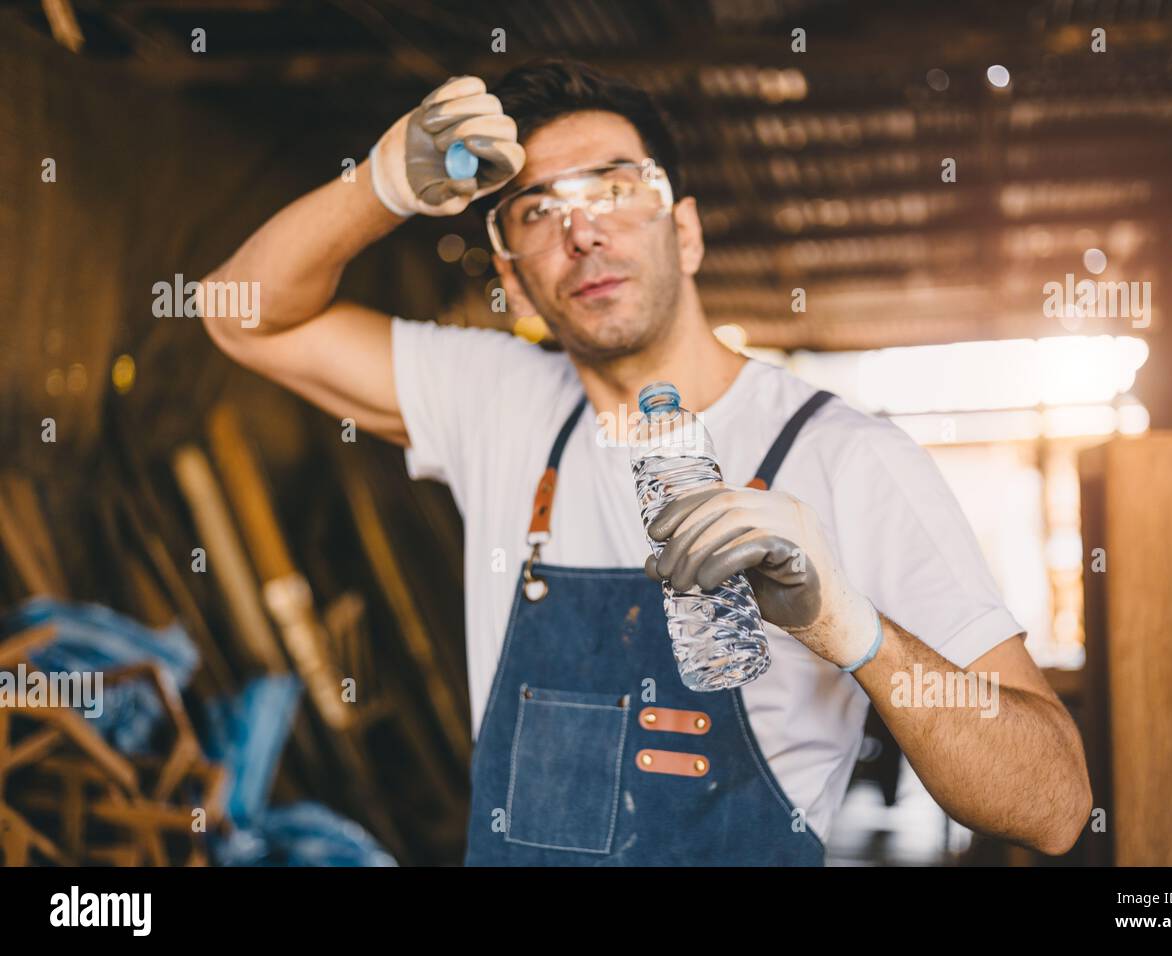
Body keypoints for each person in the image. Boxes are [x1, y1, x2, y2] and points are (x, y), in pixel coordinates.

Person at [199, 58, 1091, 865]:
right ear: (510, 279)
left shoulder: (847, 459)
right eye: (538, 210)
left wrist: (854, 632)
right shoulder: (499, 402)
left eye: (616, 188)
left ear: (687, 232)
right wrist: (384, 183)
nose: (582, 231)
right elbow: (241, 314)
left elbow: (1052, 805)